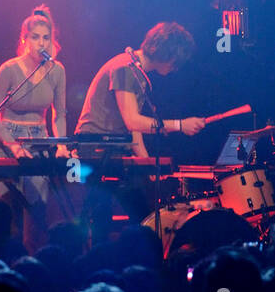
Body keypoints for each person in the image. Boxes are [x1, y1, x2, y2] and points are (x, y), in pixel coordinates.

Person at [75, 22, 205, 238]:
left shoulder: (136, 72)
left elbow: (133, 131)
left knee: (138, 212)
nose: (175, 68)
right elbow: (133, 121)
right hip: (97, 151)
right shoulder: (125, 69)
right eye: (176, 61)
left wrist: (146, 165)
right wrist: (180, 125)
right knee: (117, 214)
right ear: (167, 54)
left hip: (114, 149)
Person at [0, 5, 74, 254]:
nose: (41, 43)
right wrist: (13, 146)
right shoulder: (9, 69)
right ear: (24, 39)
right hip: (7, 142)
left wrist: (62, 145)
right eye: (35, 37)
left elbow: (60, 114)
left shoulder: (58, 71)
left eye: (46, 37)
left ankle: (33, 270)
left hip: (38, 142)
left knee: (37, 212)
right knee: (6, 214)